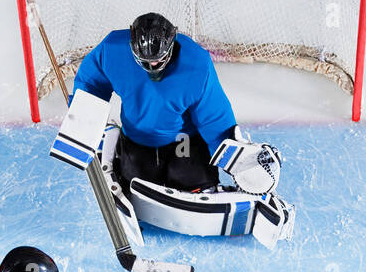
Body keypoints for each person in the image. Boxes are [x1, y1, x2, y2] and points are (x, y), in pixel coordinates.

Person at [72, 12, 254, 192]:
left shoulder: (197, 63)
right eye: (145, 61)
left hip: (183, 140)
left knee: (194, 184)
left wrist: (236, 163)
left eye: (158, 60)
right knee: (135, 186)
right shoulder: (111, 49)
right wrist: (84, 119)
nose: (152, 66)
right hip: (137, 139)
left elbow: (213, 118)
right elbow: (90, 83)